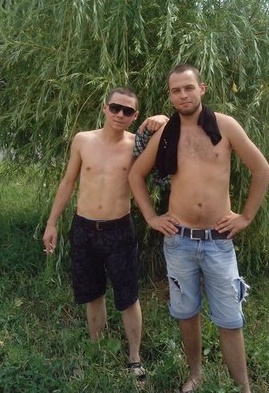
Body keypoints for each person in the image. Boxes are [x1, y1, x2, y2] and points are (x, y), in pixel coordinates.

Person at [129, 65, 269, 393]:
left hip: (218, 241)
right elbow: (136, 174)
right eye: (176, 90)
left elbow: (261, 170)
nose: (183, 95)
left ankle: (243, 387)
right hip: (178, 241)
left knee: (230, 318)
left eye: (188, 88)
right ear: (170, 96)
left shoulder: (224, 125)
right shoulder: (167, 134)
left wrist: (245, 217)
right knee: (186, 313)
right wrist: (151, 217)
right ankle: (195, 374)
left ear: (202, 89)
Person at [42, 87, 167, 383]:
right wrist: (52, 222)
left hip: (119, 230)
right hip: (84, 229)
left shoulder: (137, 146)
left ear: (135, 116)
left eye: (128, 111)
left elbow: (170, 145)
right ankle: (96, 351)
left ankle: (134, 358)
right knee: (92, 294)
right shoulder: (83, 140)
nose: (120, 114)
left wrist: (162, 119)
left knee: (128, 296)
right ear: (105, 108)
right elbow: (68, 182)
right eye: (115, 108)